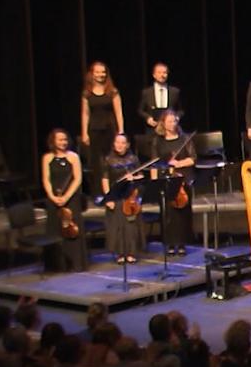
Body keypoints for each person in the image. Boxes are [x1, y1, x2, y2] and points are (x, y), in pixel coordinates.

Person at [41, 128, 88, 271]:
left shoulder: (73, 156)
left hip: (71, 198)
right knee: (54, 229)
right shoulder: (47, 158)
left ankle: (75, 264)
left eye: (65, 139)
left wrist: (67, 196)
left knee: (72, 230)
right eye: (60, 140)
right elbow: (46, 180)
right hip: (54, 199)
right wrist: (52, 197)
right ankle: (56, 265)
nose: (63, 142)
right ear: (53, 141)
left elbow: (77, 179)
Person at [151, 111, 196, 256]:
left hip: (182, 179)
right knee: (167, 214)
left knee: (182, 213)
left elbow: (192, 159)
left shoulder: (185, 139)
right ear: (163, 123)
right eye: (169, 122)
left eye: (174, 121)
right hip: (165, 178)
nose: (172, 124)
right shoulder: (158, 141)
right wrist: (154, 181)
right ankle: (169, 243)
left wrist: (178, 163)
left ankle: (182, 243)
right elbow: (154, 162)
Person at [79, 61, 124, 194]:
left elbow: (118, 112)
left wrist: (121, 130)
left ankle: (114, 189)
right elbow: (85, 114)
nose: (101, 75)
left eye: (103, 72)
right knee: (96, 163)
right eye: (97, 72)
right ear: (92, 74)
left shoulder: (112, 91)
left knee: (110, 159)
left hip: (110, 129)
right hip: (93, 129)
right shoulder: (86, 93)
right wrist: (84, 133)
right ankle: (99, 193)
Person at [100, 134, 145, 264]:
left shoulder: (133, 159)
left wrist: (133, 178)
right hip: (116, 196)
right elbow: (105, 180)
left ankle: (131, 252)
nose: (120, 145)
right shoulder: (108, 159)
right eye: (117, 142)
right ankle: (120, 254)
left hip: (130, 196)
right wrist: (109, 198)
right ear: (114, 144)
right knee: (117, 226)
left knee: (131, 226)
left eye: (123, 143)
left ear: (127, 145)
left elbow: (140, 176)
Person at [137, 62, 182, 132]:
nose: (162, 75)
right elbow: (141, 110)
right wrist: (148, 118)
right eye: (159, 72)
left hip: (171, 130)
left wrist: (176, 118)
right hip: (152, 129)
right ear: (154, 75)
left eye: (164, 73)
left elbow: (181, 110)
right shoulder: (146, 92)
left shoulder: (175, 92)